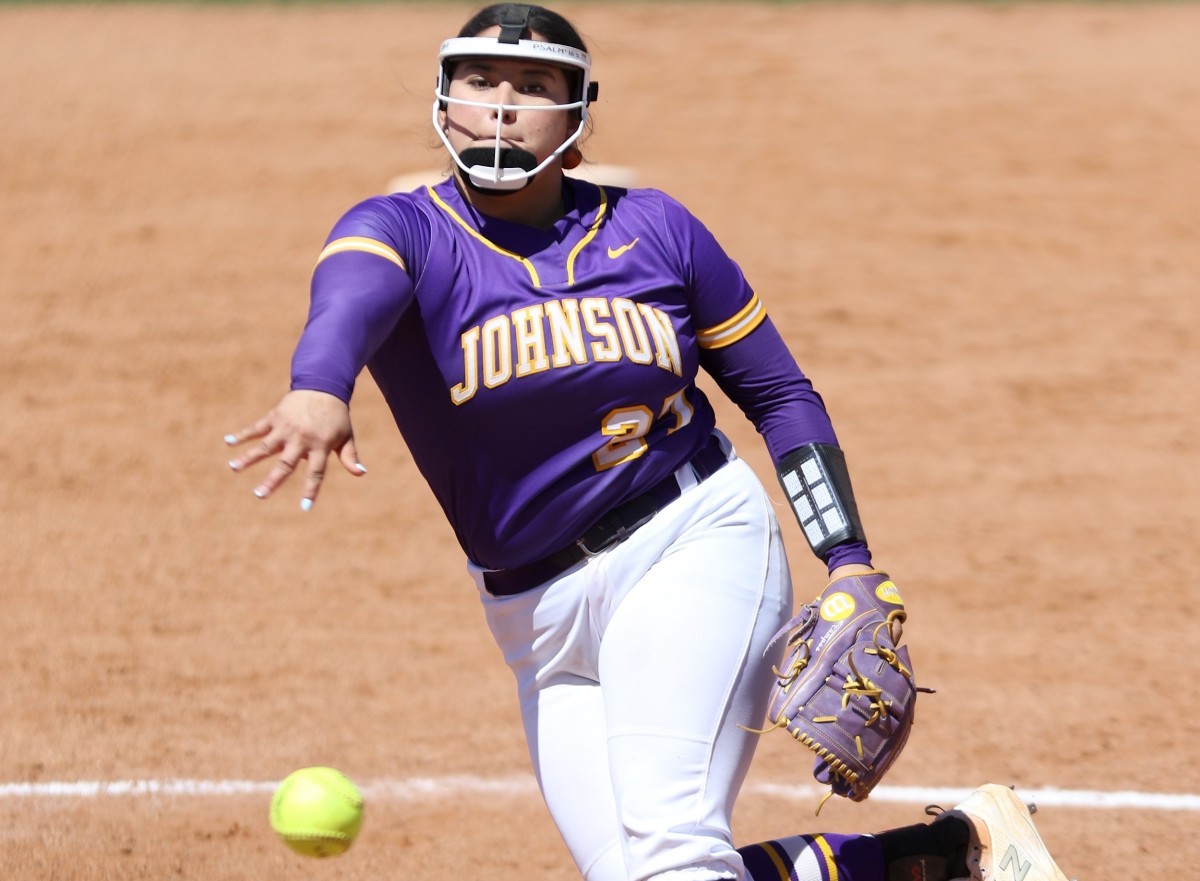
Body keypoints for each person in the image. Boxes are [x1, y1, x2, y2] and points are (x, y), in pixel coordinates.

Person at [225, 5, 1074, 881]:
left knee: (673, 849)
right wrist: (318, 384)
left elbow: (779, 394)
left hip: (691, 541)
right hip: (534, 617)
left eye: (534, 86)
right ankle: (948, 855)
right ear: (444, 105)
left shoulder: (657, 229)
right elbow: (349, 296)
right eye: (479, 81)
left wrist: (848, 558)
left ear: (577, 118)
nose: (503, 104)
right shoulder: (403, 230)